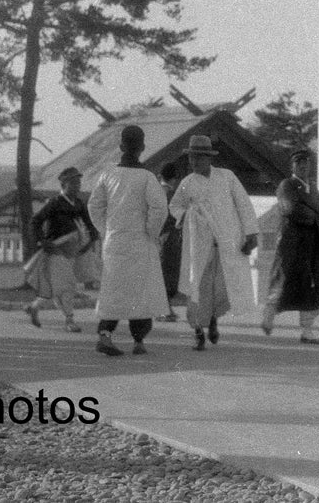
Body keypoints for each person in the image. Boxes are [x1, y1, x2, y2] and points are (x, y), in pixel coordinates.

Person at [168, 135, 259, 351]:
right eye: (191, 158)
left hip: (228, 243)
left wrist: (251, 234)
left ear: (209, 158)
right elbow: (175, 207)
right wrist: (188, 215)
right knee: (198, 287)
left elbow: (244, 204)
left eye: (199, 158)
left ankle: (214, 321)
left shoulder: (227, 177)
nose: (194, 162)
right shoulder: (187, 183)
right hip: (200, 246)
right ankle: (198, 332)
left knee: (222, 288)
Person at [88, 124, 170, 356]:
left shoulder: (107, 174)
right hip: (140, 240)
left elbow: (94, 206)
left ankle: (105, 335)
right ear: (142, 147)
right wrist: (151, 232)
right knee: (141, 291)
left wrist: (106, 229)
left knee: (113, 290)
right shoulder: (147, 177)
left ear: (121, 146)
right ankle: (138, 341)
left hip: (114, 241)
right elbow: (159, 208)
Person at [261, 148, 319, 345]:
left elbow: (317, 208)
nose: (303, 167)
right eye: (299, 163)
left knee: (313, 285)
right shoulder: (287, 185)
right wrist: (313, 216)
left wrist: (317, 218)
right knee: (284, 278)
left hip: (313, 242)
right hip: (292, 241)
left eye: (306, 164)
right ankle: (269, 314)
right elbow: (290, 208)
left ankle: (307, 330)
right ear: (292, 166)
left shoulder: (312, 187)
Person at [23, 166, 100, 332]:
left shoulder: (79, 204)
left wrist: (92, 237)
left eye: (78, 182)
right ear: (64, 184)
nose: (77, 185)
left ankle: (34, 307)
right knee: (67, 285)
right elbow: (35, 221)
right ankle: (69, 320)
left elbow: (89, 224)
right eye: (73, 182)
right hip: (56, 250)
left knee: (57, 287)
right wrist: (42, 241)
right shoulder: (54, 203)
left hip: (73, 251)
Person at [156, 161, 183, 322]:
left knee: (162, 272)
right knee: (169, 272)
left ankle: (164, 308)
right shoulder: (171, 194)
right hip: (170, 236)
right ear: (174, 179)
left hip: (158, 236)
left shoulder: (156, 192)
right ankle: (164, 309)